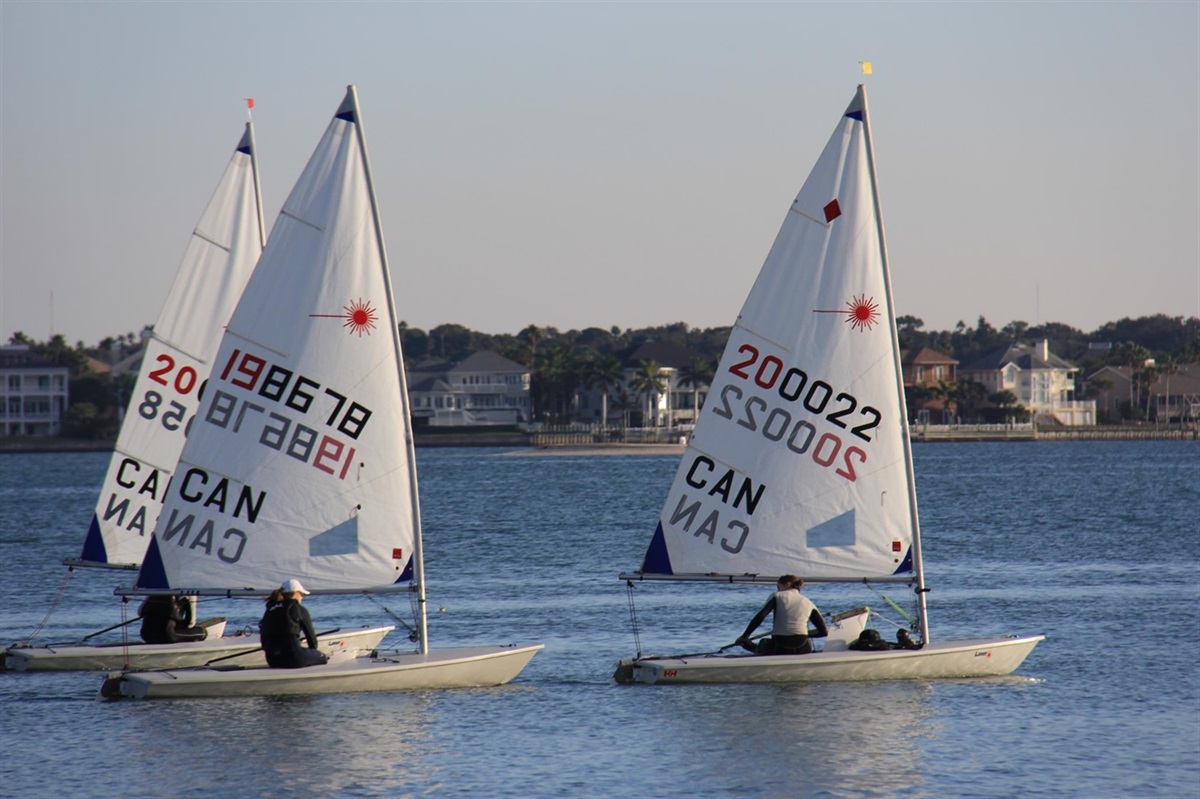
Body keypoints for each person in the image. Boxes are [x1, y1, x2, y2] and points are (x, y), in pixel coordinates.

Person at [736, 575, 828, 655]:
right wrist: (805, 635)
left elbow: (761, 617)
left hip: (779, 646)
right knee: (804, 642)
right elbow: (824, 632)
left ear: (787, 584)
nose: (777, 589)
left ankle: (745, 644)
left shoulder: (777, 595)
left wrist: (745, 636)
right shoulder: (809, 602)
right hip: (803, 648)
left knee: (758, 643)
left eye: (778, 586)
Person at [259, 579, 328, 668]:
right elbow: (312, 641)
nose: (302, 597)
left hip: (273, 661)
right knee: (322, 657)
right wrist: (313, 653)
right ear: (295, 593)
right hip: (294, 660)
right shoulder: (299, 608)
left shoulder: (269, 610)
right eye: (301, 594)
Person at [138, 594, 208, 644]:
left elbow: (140, 612)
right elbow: (190, 624)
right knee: (203, 632)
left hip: (146, 635)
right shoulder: (189, 592)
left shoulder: (155, 589)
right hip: (168, 636)